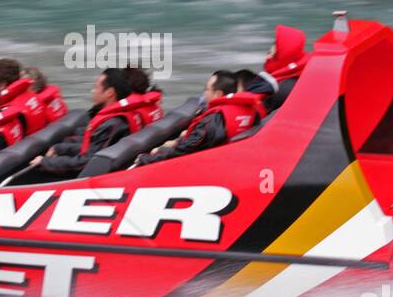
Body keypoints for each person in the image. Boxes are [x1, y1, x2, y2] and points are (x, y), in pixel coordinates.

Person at [25, 68, 161, 180]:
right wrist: (60, 148)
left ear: (109, 93)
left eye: (96, 87)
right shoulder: (126, 116)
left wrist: (45, 162)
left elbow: (86, 162)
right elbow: (93, 149)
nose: (93, 91)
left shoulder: (113, 123)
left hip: (92, 179)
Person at [135, 70, 265, 166]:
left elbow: (182, 152)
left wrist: (146, 159)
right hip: (232, 160)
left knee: (157, 151)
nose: (204, 93)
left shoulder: (212, 121)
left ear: (218, 94)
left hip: (206, 166)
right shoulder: (251, 111)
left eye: (207, 89)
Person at [244, 25, 309, 112]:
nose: (268, 55)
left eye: (275, 44)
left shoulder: (278, 88)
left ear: (284, 52)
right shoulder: (302, 72)